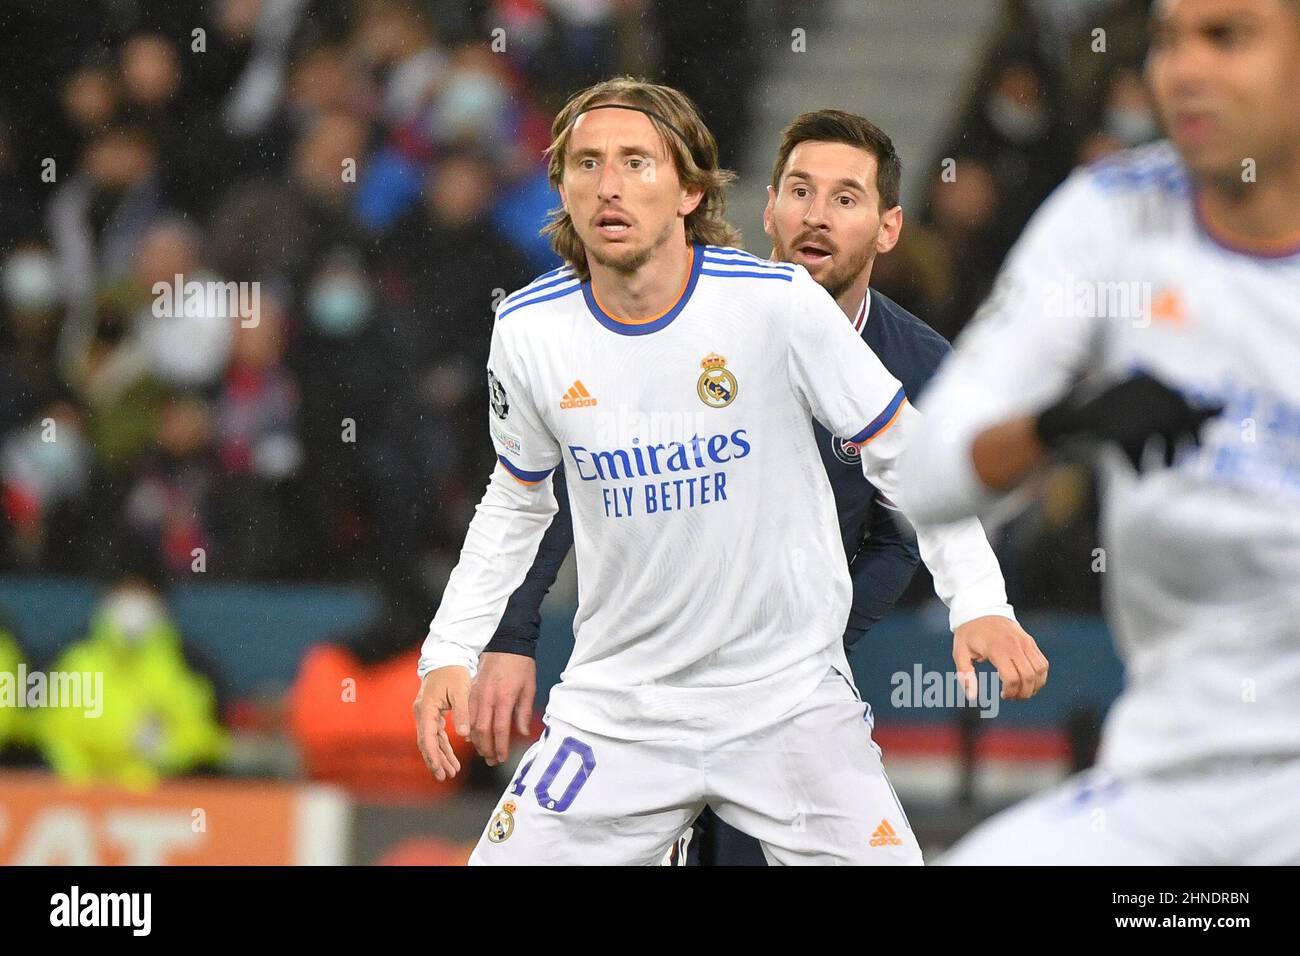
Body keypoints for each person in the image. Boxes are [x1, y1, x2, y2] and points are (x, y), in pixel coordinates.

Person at [414, 78, 1046, 865]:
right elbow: (517, 501)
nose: (609, 185)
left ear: (689, 190)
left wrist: (979, 603)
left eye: (637, 163)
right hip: (618, 712)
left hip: (788, 706)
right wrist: (452, 650)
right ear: (563, 187)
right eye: (586, 164)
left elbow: (906, 458)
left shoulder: (776, 304)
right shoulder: (528, 328)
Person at [895, 0, 1300, 864]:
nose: (1182, 69)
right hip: (1168, 787)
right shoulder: (1112, 213)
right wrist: (1058, 425)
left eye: (1226, 37)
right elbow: (927, 476)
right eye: (1167, 41)